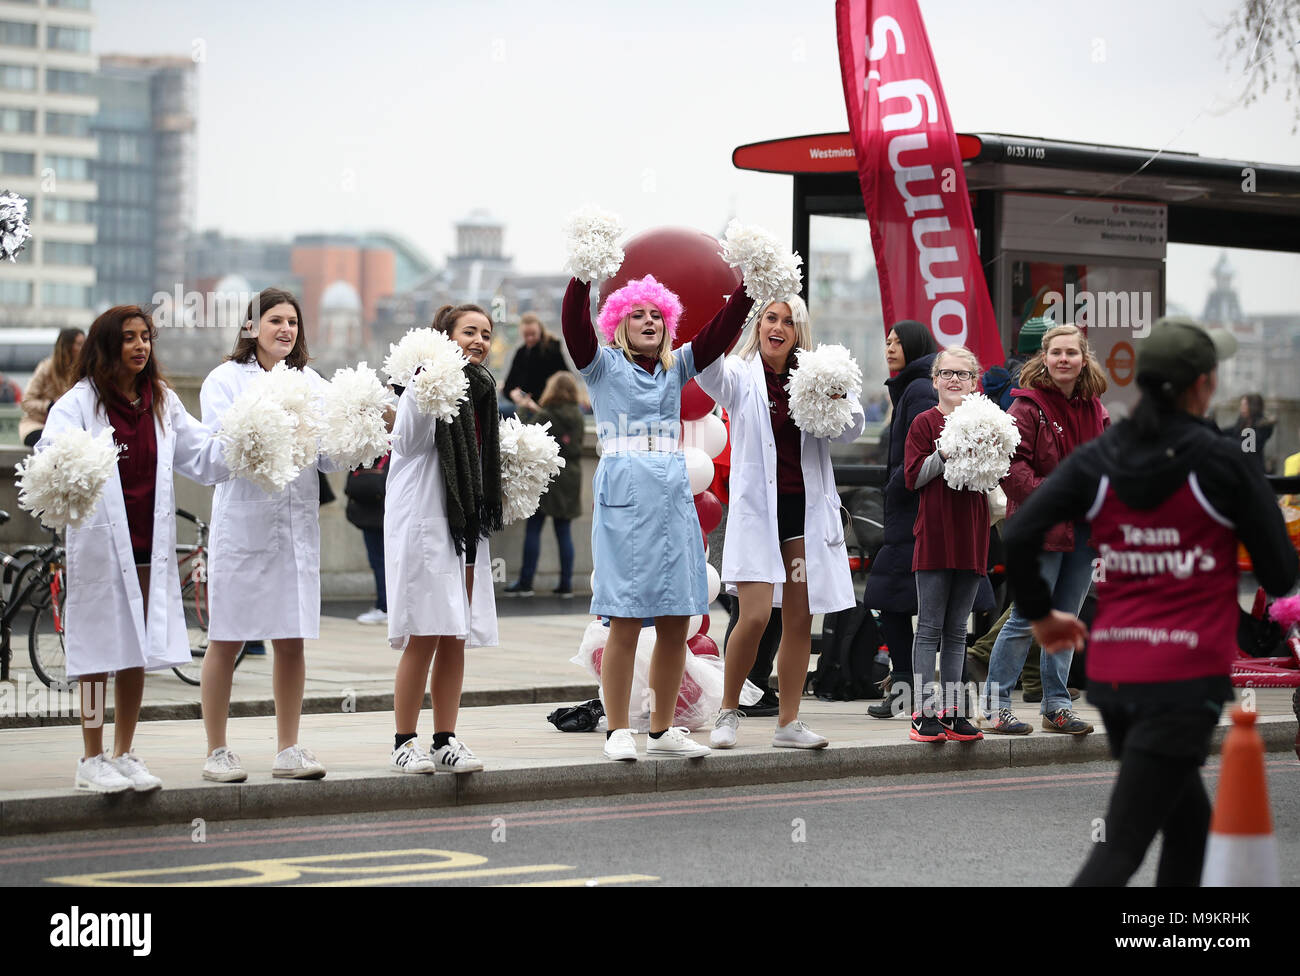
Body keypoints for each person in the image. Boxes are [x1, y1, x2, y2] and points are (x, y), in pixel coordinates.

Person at [1005, 317, 1298, 886]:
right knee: (1122, 847)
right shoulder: (1221, 462)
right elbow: (1280, 571)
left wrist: (1042, 616)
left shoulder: (1100, 458)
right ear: (1205, 385)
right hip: (1184, 680)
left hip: (1115, 680)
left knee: (1188, 829)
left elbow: (1018, 534)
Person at [562, 271, 753, 761]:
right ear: (618, 325)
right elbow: (573, 326)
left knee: (675, 619)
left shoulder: (676, 365)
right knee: (623, 619)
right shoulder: (601, 365)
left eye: (657, 316)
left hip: (671, 494)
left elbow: (719, 333)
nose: (649, 321)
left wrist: (752, 286)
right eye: (637, 315)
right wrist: (584, 274)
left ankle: (663, 729)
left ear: (668, 327)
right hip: (626, 493)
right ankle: (618, 729)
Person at [39, 306, 227, 792]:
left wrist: (248, 443)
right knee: (97, 653)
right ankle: (90, 756)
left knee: (135, 652)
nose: (141, 346)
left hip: (151, 544)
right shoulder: (78, 403)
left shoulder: (160, 400)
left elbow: (200, 454)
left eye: (146, 337)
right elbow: (51, 463)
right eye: (129, 338)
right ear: (107, 345)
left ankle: (124, 753)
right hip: (102, 548)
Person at [697, 296, 864, 749]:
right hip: (758, 515)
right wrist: (736, 305)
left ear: (799, 332)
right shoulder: (738, 373)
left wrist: (836, 394)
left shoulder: (812, 375)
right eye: (771, 318)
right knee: (751, 617)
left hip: (801, 515)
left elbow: (852, 428)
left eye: (789, 321)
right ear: (759, 326)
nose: (779, 327)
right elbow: (705, 368)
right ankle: (728, 711)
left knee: (798, 618)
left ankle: (788, 722)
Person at [199, 288, 339, 783]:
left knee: (291, 639)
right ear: (251, 327)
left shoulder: (312, 383)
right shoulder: (224, 380)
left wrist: (359, 425)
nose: (286, 330)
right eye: (276, 320)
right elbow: (218, 449)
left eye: (293, 323)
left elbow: (330, 457)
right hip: (243, 524)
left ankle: (288, 748)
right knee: (227, 637)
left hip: (294, 527)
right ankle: (217, 750)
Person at [386, 303, 501, 774]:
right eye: (469, 331)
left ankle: (445, 739)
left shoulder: (485, 391)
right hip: (427, 519)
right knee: (426, 631)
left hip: (466, 523)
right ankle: (403, 742)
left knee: (456, 632)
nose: (479, 340)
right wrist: (423, 386)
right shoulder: (423, 382)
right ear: (444, 336)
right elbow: (407, 442)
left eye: (486, 334)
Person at [981, 323, 1109, 735]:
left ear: (1083, 358)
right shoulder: (1026, 405)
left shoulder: (1094, 407)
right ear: (1044, 357)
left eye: (1071, 353)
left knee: (1067, 616)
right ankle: (995, 704)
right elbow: (1010, 467)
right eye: (1056, 353)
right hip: (1041, 527)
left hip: (1084, 530)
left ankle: (1056, 704)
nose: (1064, 359)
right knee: (1026, 618)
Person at [903, 346, 990, 742]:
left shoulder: (988, 421)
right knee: (929, 629)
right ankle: (924, 713)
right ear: (935, 379)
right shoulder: (924, 422)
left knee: (958, 630)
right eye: (947, 373)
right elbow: (913, 477)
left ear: (975, 382)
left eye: (964, 374)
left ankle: (954, 713)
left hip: (972, 533)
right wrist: (945, 449)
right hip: (936, 533)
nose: (954, 380)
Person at [863, 321, 937, 719]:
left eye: (895, 342)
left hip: (914, 514)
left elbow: (921, 449)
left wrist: (895, 485)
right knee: (897, 602)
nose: (888, 347)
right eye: (886, 341)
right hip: (908, 515)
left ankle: (911, 689)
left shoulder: (920, 387)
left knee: (892, 601)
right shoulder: (913, 384)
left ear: (914, 345)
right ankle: (908, 688)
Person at [504, 370, 584, 597]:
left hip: (546, 478)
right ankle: (565, 584)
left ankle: (526, 581)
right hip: (570, 478)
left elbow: (524, 433)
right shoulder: (577, 415)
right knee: (563, 531)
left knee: (534, 527)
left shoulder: (547, 413)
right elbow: (572, 444)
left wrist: (522, 406)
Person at [19, 327, 84, 447]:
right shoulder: (46, 368)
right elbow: (26, 402)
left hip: (69, 428)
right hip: (37, 425)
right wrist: (50, 405)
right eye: (80, 344)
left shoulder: (83, 371)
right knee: (54, 441)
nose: (84, 348)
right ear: (68, 347)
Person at [346, 452, 390, 624]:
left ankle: (385, 607)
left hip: (378, 512)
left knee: (381, 561)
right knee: (379, 561)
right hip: (372, 512)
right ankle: (384, 605)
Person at [502, 312, 568, 409]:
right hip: (525, 404)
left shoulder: (551, 349)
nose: (530, 338)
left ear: (540, 331)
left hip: (547, 405)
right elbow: (509, 384)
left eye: (533, 334)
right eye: (526, 335)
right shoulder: (521, 352)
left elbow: (564, 378)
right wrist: (512, 394)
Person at [1228, 392, 1274, 472]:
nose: (1241, 408)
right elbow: (1231, 431)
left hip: (1253, 468)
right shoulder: (1242, 422)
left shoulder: (1262, 425)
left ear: (1252, 407)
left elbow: (1248, 446)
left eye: (1244, 405)